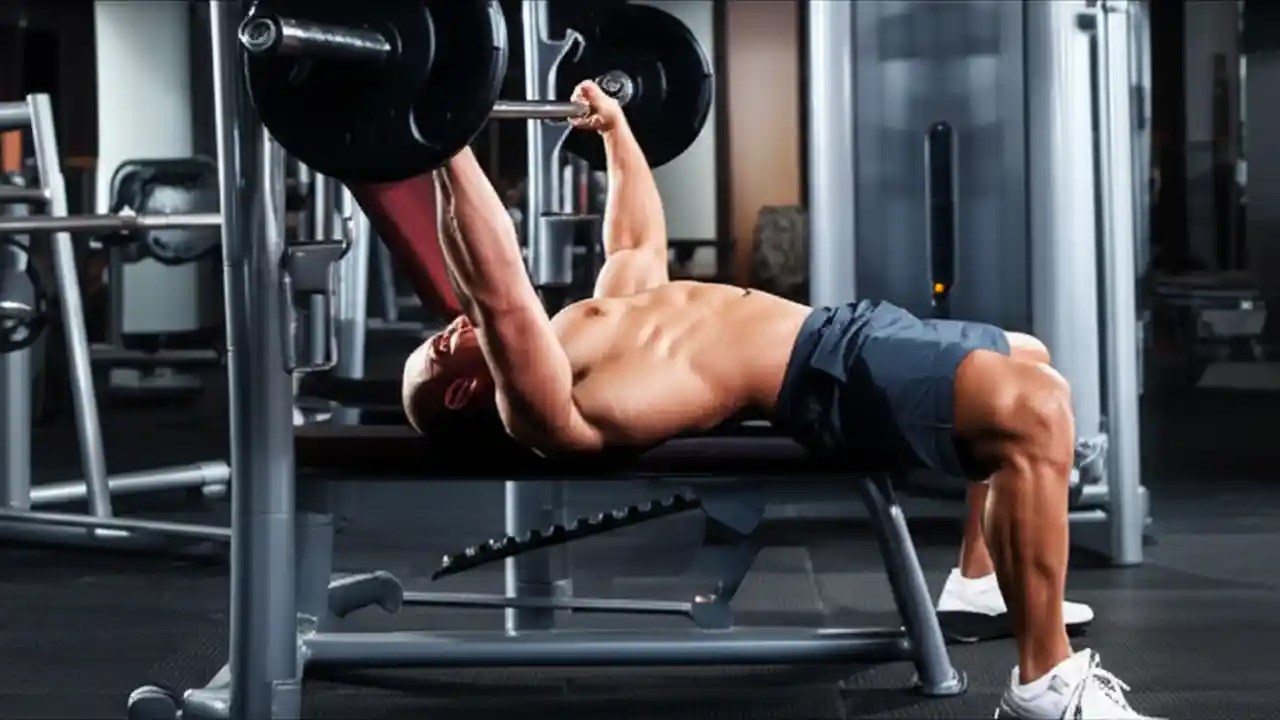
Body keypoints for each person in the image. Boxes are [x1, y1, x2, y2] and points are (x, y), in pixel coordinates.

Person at [396, 81, 1156, 720]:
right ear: (463, 387)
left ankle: (981, 583)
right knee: (1037, 407)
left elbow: (633, 249)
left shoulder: (579, 330)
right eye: (437, 348)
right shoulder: (542, 406)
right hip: (821, 378)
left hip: (836, 332)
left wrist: (617, 135)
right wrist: (443, 136)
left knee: (1026, 355)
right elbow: (496, 291)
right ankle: (1045, 683)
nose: (448, 326)